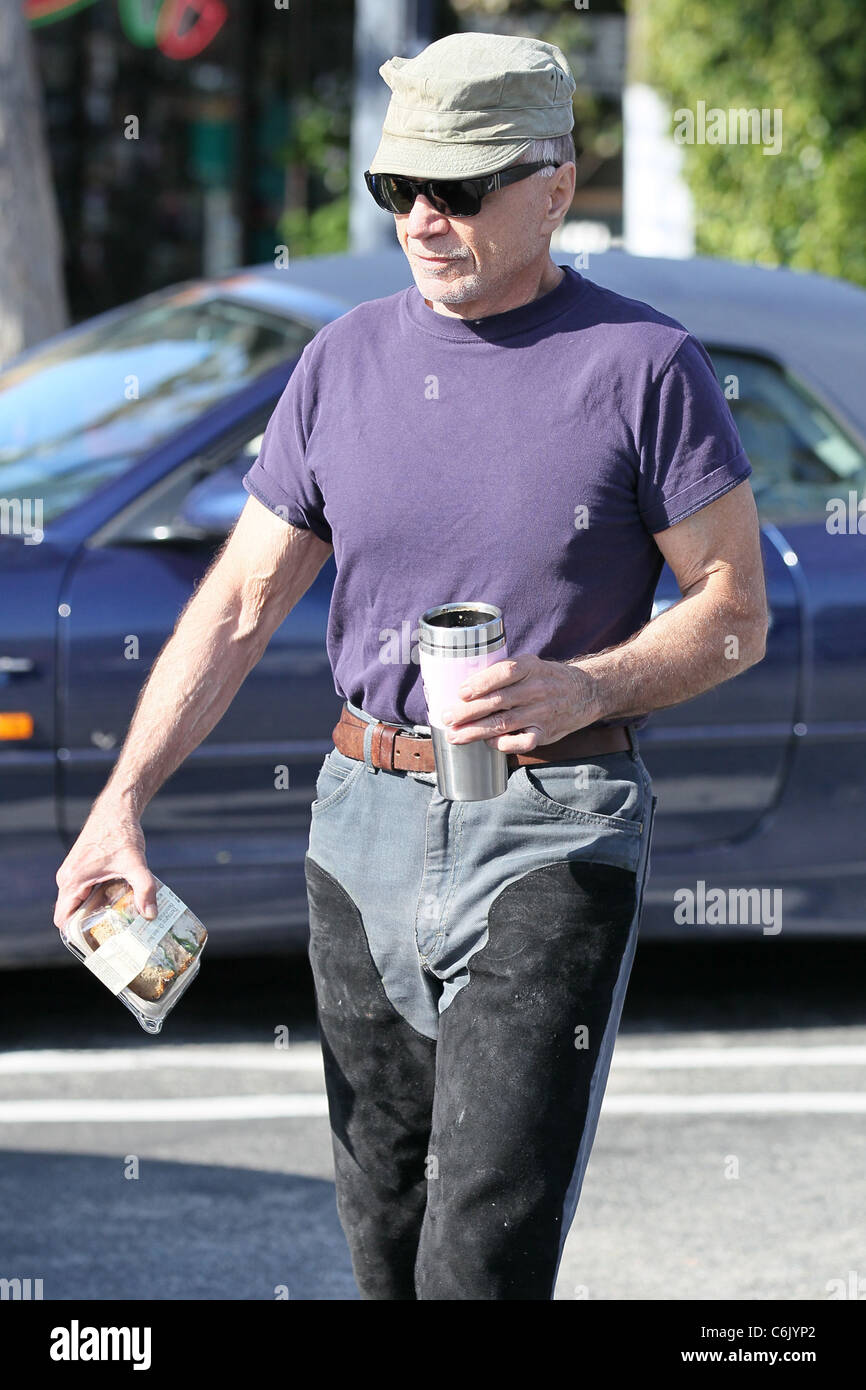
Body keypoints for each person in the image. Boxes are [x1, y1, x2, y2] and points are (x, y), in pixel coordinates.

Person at [54, 31, 768, 1300]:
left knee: (479, 1252)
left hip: (550, 826)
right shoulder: (341, 363)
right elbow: (236, 605)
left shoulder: (642, 366)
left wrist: (590, 685)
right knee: (383, 1239)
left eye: (457, 190)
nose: (423, 220)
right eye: (400, 191)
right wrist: (118, 806)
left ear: (553, 183)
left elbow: (732, 613)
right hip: (357, 827)